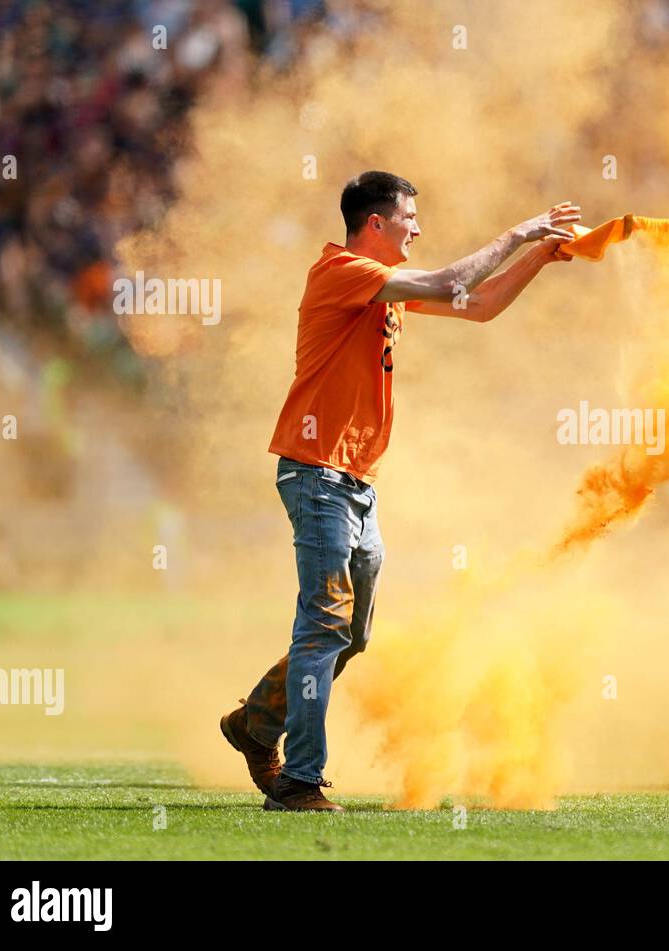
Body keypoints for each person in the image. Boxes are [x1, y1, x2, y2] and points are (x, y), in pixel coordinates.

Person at [220, 170, 580, 810]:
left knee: (351, 636)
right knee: (323, 629)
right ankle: (299, 782)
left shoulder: (381, 288)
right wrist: (518, 232)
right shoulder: (343, 272)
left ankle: (256, 723)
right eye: (410, 217)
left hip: (357, 483)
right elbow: (451, 282)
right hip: (318, 475)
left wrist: (542, 256)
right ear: (375, 224)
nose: (418, 227)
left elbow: (483, 304)